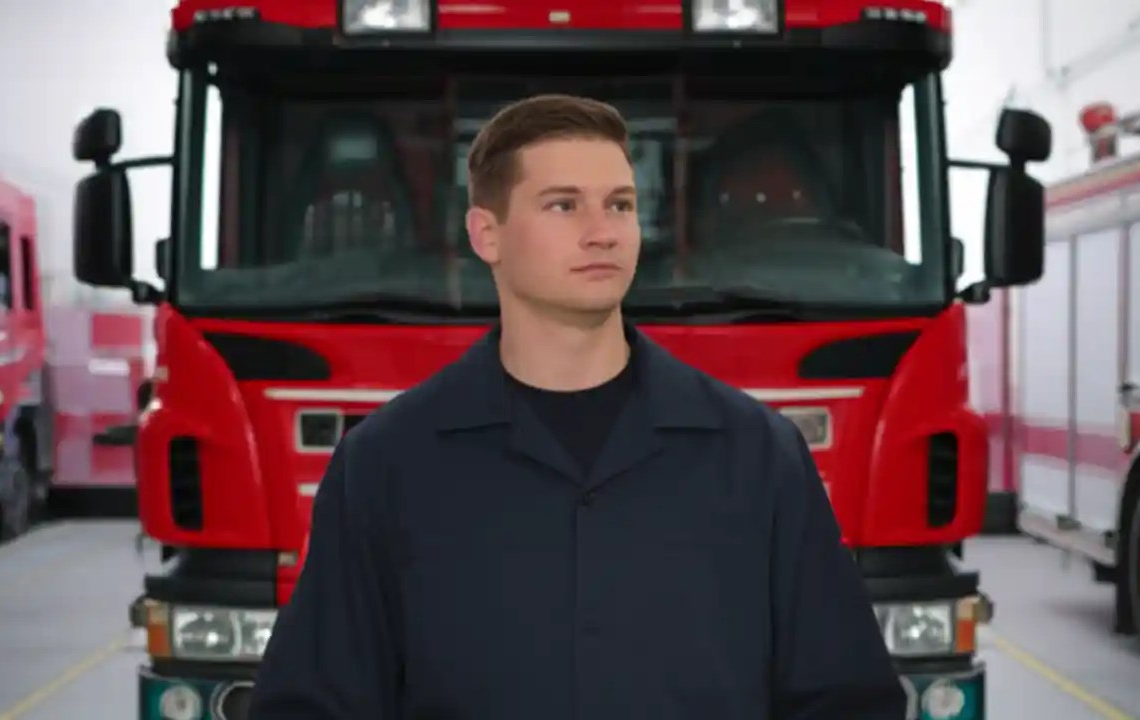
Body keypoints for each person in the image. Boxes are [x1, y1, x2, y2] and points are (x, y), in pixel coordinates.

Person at [248, 94, 907, 719]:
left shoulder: (759, 454)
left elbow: (846, 699)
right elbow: (313, 704)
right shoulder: (387, 464)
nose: (603, 233)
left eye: (620, 205)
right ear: (487, 234)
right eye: (563, 206)